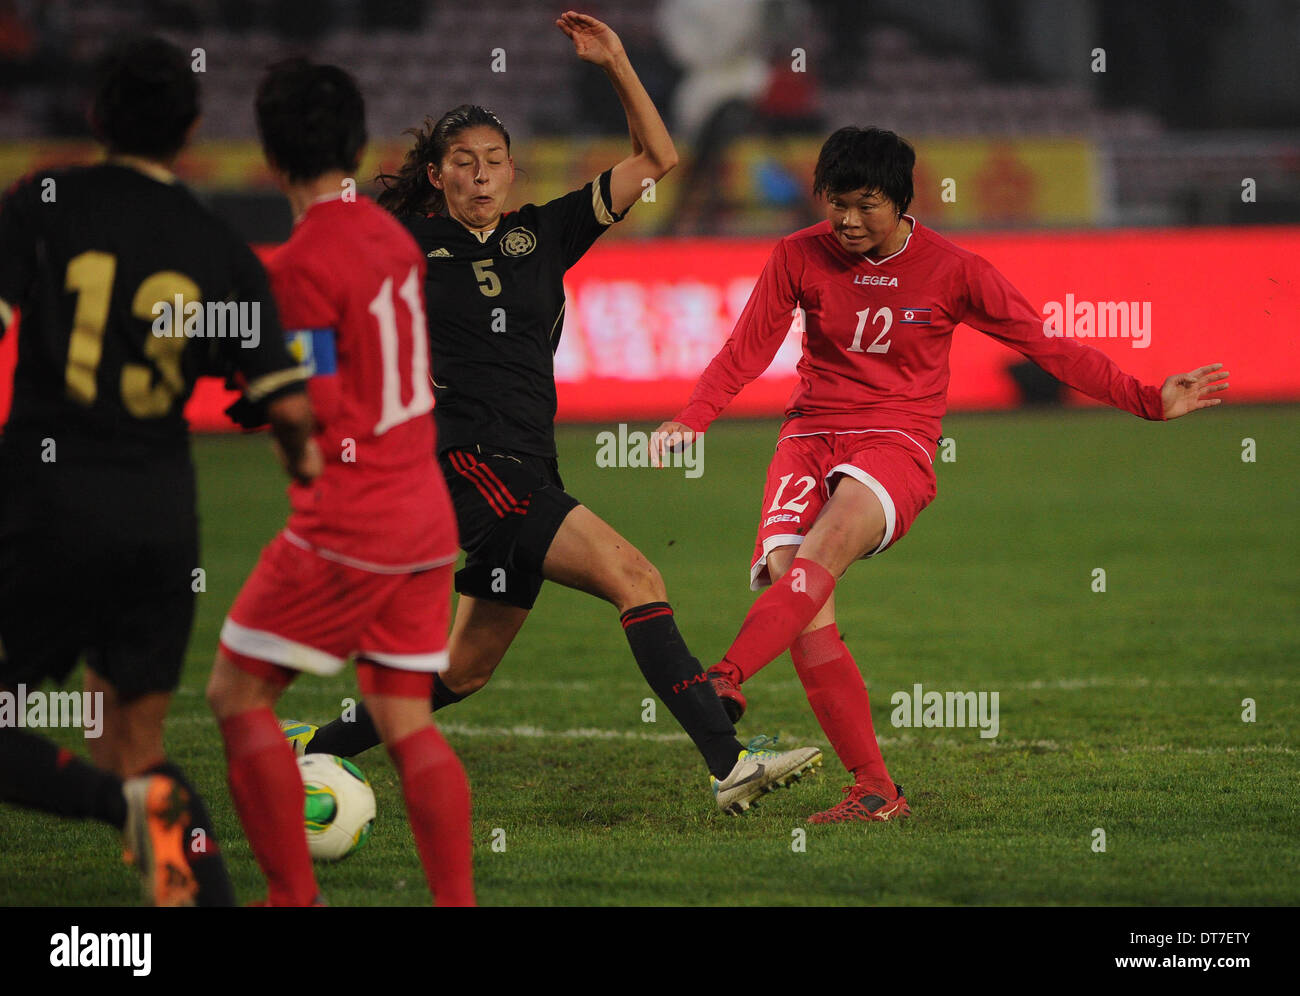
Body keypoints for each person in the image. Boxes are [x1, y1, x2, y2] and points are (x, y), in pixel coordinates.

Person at [300, 11, 820, 815]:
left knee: (463, 671)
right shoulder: (402, 247)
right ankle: (728, 763)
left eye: (494, 161)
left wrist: (615, 59)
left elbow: (659, 157)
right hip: (473, 466)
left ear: (512, 170)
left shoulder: (541, 235)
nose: (481, 174)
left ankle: (312, 747)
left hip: (528, 466)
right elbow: (319, 301)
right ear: (436, 175)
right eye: (463, 163)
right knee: (635, 575)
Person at [653, 126, 1229, 824]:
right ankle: (875, 790)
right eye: (837, 204)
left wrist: (1145, 399)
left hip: (896, 441)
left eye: (866, 205)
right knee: (799, 595)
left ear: (901, 202)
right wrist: (694, 416)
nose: (848, 222)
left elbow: (1046, 345)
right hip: (807, 434)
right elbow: (747, 348)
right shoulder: (797, 255)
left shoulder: (954, 270)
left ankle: (724, 681)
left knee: (825, 546)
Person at [0, 37, 312, 905]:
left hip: (45, 503)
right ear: (193, 126)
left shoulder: (47, 202)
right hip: (160, 518)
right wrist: (308, 466)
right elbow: (286, 407)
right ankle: (190, 883)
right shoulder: (220, 247)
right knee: (138, 737)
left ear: (96, 116)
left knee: (97, 759)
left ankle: (118, 805)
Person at [205, 58, 475, 906]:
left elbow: (310, 402)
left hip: (350, 519)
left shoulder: (298, 264)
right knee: (403, 717)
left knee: (236, 693)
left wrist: (274, 419)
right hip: (425, 515)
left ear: (271, 155)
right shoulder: (391, 237)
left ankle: (293, 896)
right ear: (357, 143)